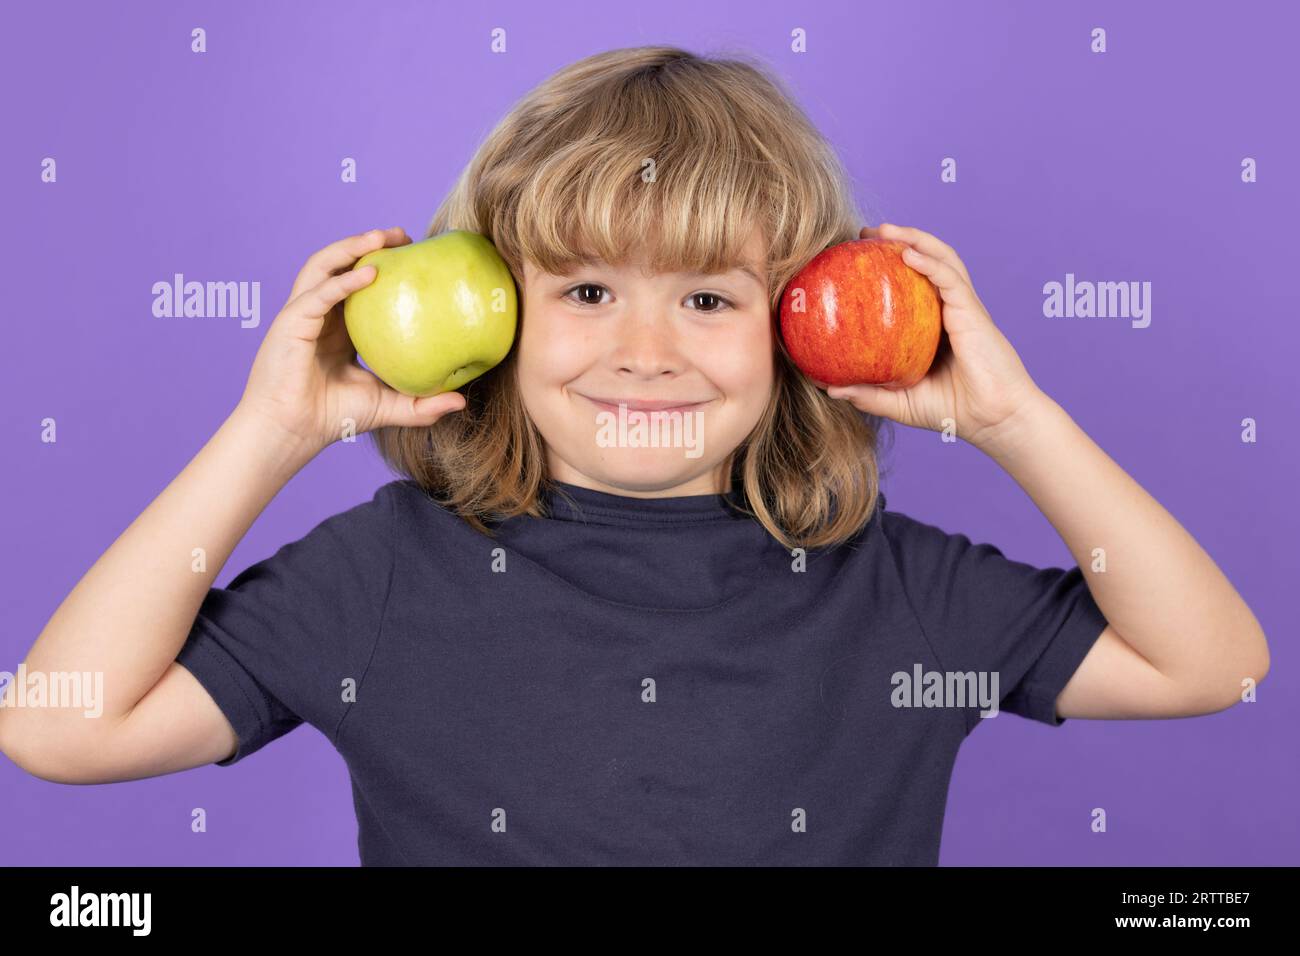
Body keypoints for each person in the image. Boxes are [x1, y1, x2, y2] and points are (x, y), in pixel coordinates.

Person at [0, 46, 1269, 865]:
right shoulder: (379, 578)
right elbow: (62, 726)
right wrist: (268, 434)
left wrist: (1013, 420)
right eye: (590, 291)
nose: (647, 350)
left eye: (709, 300)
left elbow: (1209, 663)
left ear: (790, 328)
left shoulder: (900, 593)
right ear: (494, 313)